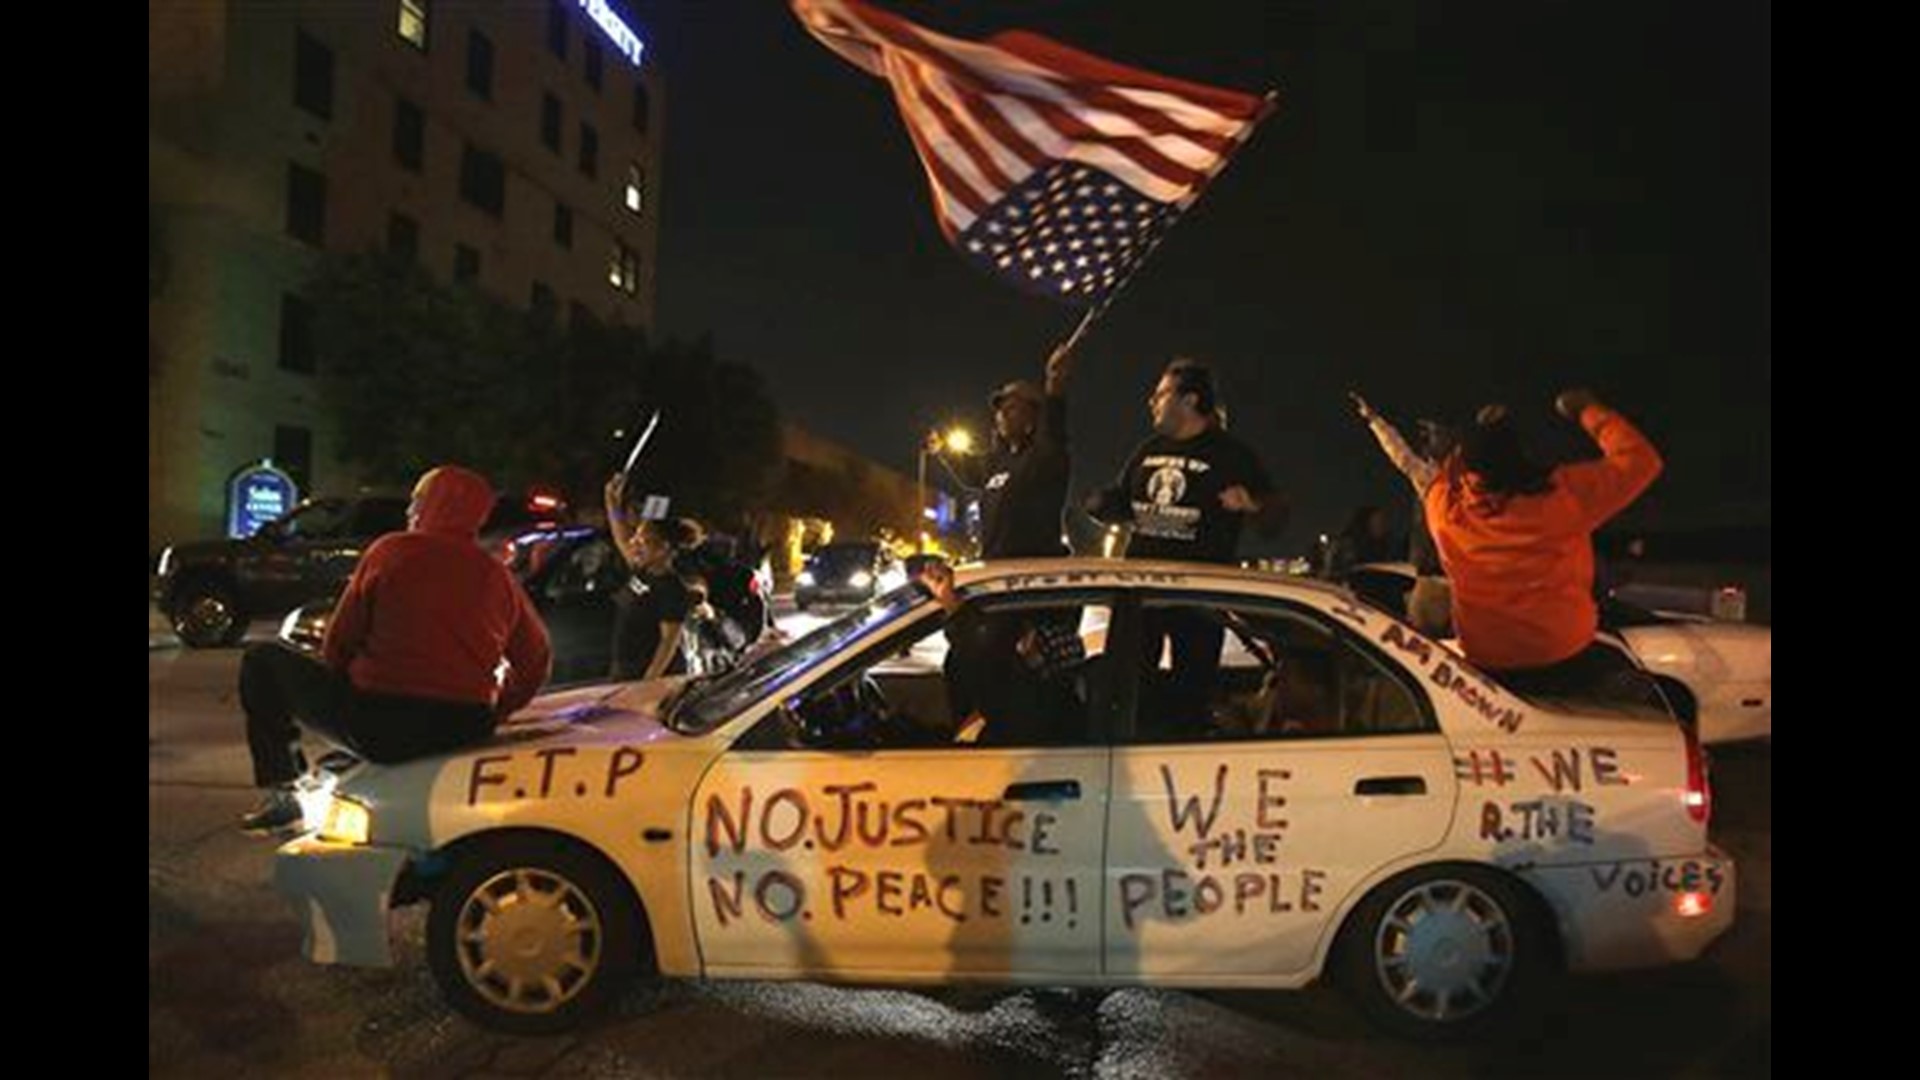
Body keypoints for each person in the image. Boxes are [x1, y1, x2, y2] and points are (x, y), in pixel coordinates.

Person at [238, 465, 553, 833]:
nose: (408, 511)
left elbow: (339, 642)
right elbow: (536, 660)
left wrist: (345, 684)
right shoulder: (496, 574)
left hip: (380, 723)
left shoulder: (390, 553)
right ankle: (347, 762)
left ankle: (283, 791)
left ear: (429, 506)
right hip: (465, 725)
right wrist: (496, 711)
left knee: (261, 660)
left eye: (416, 501)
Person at [1085, 358, 1287, 725]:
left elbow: (1276, 516)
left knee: (1189, 697)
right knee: (1125, 689)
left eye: (1161, 394)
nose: (1151, 401)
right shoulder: (1147, 450)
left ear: (1190, 401)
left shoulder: (1231, 454)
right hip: (1140, 594)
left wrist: (1252, 503)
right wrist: (1102, 505)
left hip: (1196, 596)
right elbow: (1122, 499)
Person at [1425, 389, 1664, 697]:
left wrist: (1475, 439)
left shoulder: (1443, 511)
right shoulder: (1565, 496)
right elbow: (1641, 461)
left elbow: (1445, 476)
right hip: (1565, 658)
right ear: (1523, 455)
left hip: (1487, 667)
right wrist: (1587, 410)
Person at [930, 344, 1076, 559]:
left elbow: (1054, 426)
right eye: (999, 410)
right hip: (997, 570)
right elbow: (969, 470)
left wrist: (1054, 382)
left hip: (1032, 573)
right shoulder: (996, 462)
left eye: (1011, 408)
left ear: (1033, 417)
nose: (1002, 415)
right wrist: (943, 450)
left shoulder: (1045, 456)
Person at [1351, 394, 1455, 637]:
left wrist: (1374, 420)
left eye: (1434, 435)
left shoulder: (1449, 481)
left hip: (1447, 582)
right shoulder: (1436, 480)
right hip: (1440, 581)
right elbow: (1402, 456)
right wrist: (1375, 421)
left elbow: (1403, 456)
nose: (1427, 443)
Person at [604, 472, 707, 681]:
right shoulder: (641, 570)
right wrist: (610, 501)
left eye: (643, 542)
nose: (634, 544)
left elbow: (668, 643)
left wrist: (648, 683)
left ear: (663, 548)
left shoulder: (671, 589)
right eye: (636, 540)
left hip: (651, 678)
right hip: (624, 670)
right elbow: (620, 534)